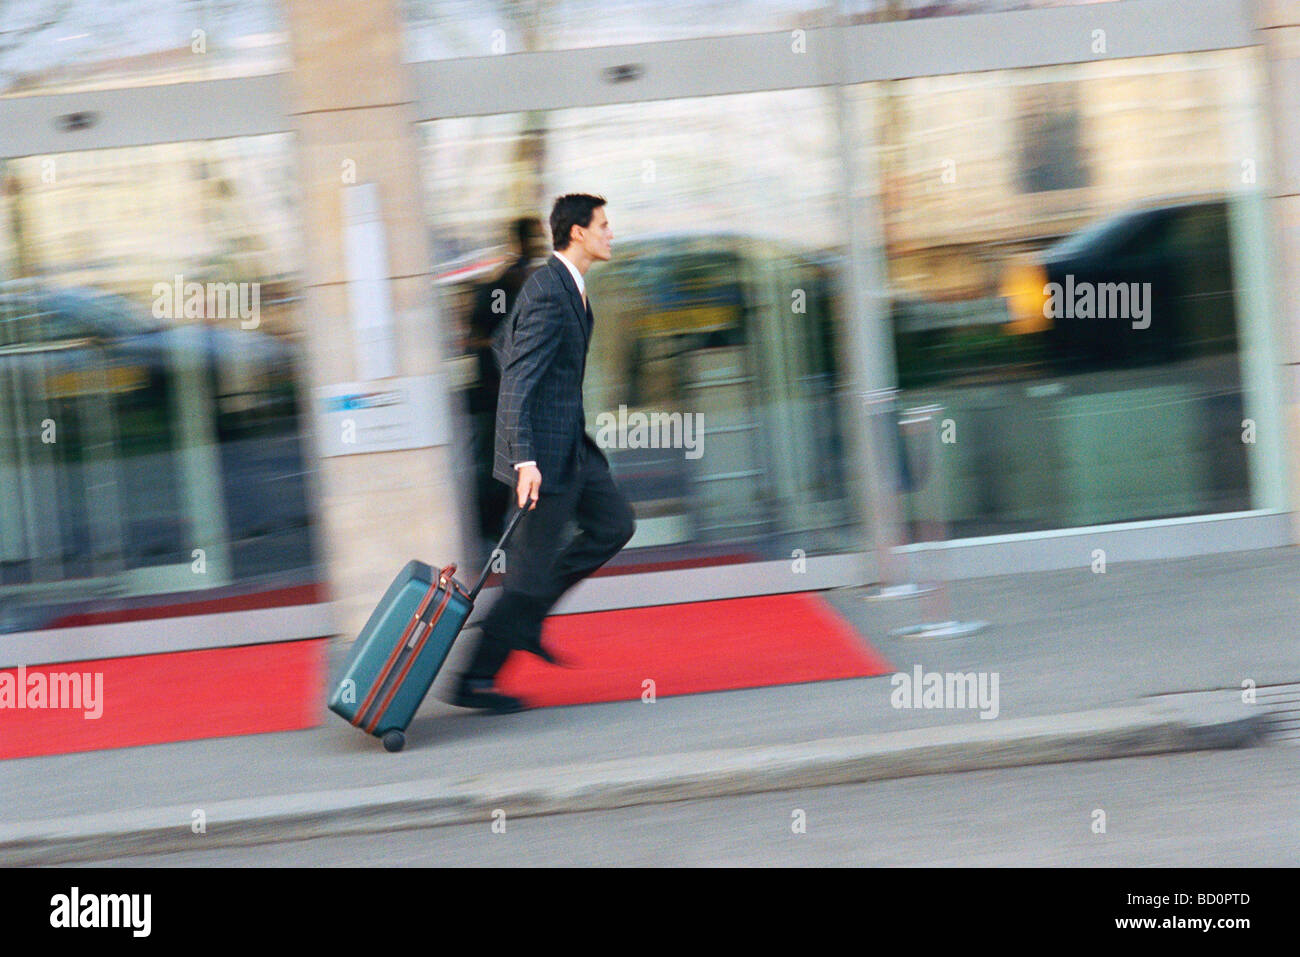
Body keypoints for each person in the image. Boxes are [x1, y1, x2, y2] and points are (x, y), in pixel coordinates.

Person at [449, 194, 637, 714]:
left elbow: (504, 349)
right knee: (527, 577)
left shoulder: (566, 288)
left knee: (615, 525)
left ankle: (528, 616)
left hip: (572, 447)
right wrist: (523, 460)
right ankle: (473, 678)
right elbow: (517, 379)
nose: (610, 233)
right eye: (603, 224)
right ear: (577, 232)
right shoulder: (548, 291)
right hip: (543, 461)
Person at [465, 217, 544, 552]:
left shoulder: (532, 281)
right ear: (520, 242)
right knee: (499, 465)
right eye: (535, 237)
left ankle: (519, 527)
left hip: (520, 391)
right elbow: (477, 338)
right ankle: (491, 530)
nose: (541, 243)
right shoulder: (504, 286)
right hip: (498, 393)